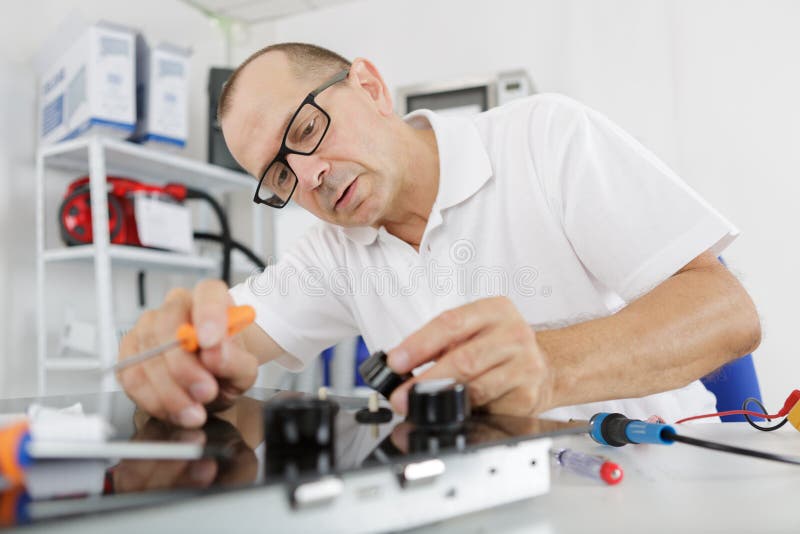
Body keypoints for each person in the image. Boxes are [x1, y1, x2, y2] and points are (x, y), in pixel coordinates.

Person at [117, 43, 761, 429]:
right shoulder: (333, 253)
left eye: (307, 130)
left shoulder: (545, 138)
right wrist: (175, 354)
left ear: (369, 87)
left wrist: (550, 368)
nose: (309, 175)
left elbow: (726, 313)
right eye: (279, 174)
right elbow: (227, 336)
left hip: (651, 477)